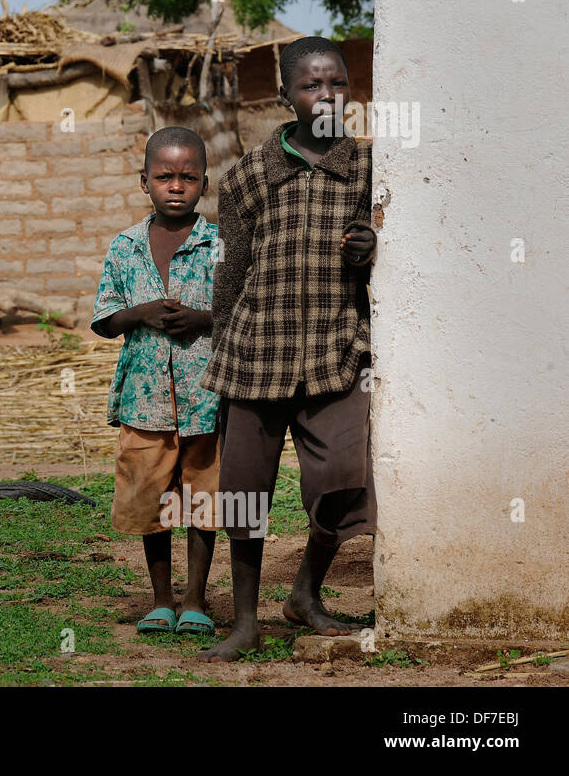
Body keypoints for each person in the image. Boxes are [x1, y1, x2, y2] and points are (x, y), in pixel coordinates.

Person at [199, 37, 377, 663]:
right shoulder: (248, 175)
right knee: (247, 492)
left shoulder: (370, 169)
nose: (325, 95)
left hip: (335, 352)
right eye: (310, 85)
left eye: (336, 83)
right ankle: (245, 620)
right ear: (285, 97)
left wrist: (370, 246)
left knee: (342, 481)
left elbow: (390, 240)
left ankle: (305, 591)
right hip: (255, 356)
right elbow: (231, 274)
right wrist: (219, 350)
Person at [91, 127, 221, 636]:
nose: (176, 186)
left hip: (205, 398)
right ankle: (161, 599)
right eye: (164, 176)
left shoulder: (219, 243)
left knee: (204, 500)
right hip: (144, 402)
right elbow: (104, 319)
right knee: (152, 499)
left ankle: (196, 599)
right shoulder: (124, 247)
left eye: (188, 177)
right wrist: (140, 312)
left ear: (203, 183)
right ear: (144, 181)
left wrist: (201, 319)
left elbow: (241, 308)